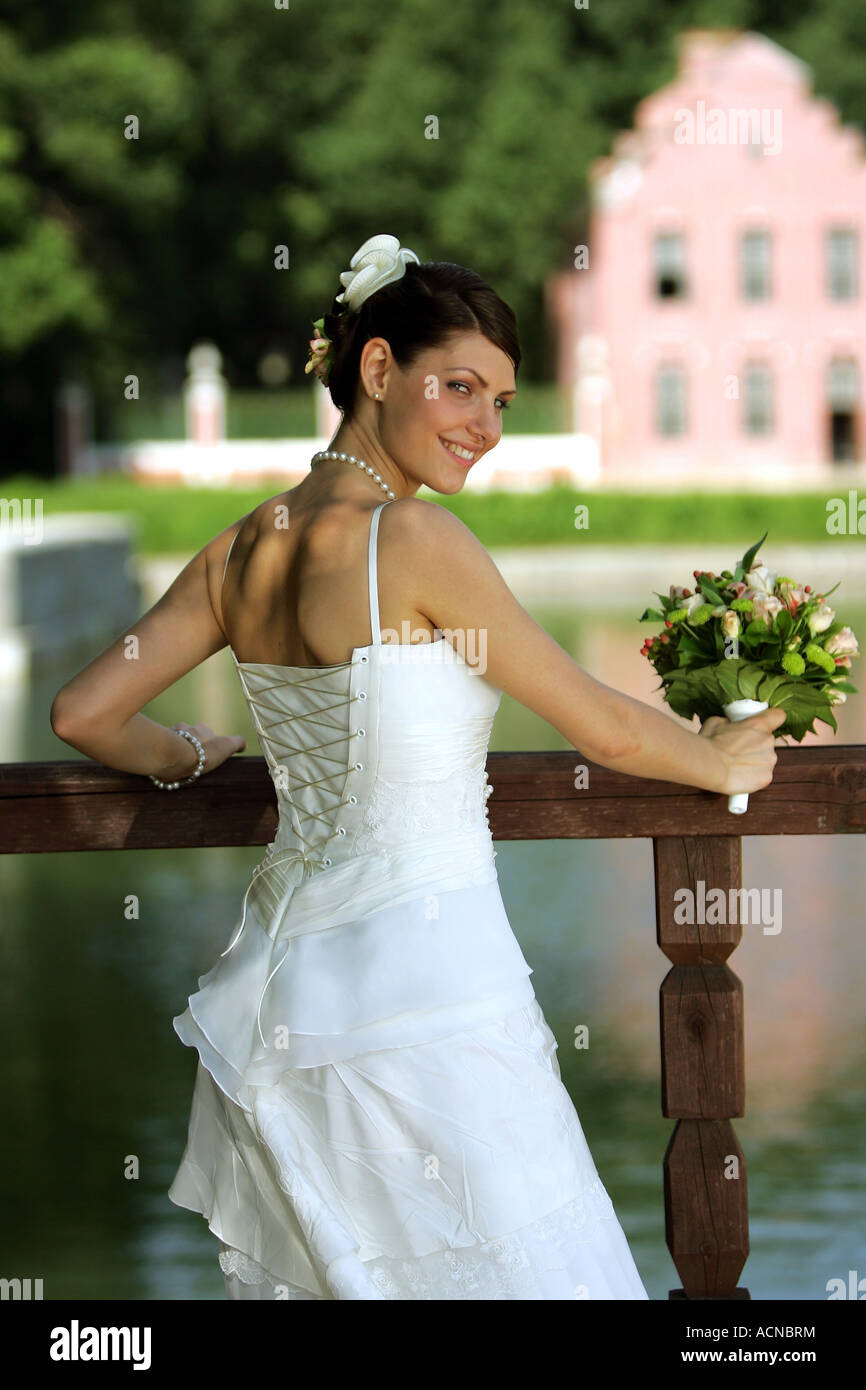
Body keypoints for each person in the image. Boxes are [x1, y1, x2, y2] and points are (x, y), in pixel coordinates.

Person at [50, 234, 785, 1300]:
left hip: (285, 1003)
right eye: (458, 387)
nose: (482, 427)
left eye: (501, 400)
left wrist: (186, 752)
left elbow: (84, 710)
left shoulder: (239, 548)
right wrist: (717, 753)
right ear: (377, 368)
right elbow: (605, 731)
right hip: (433, 997)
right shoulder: (417, 540)